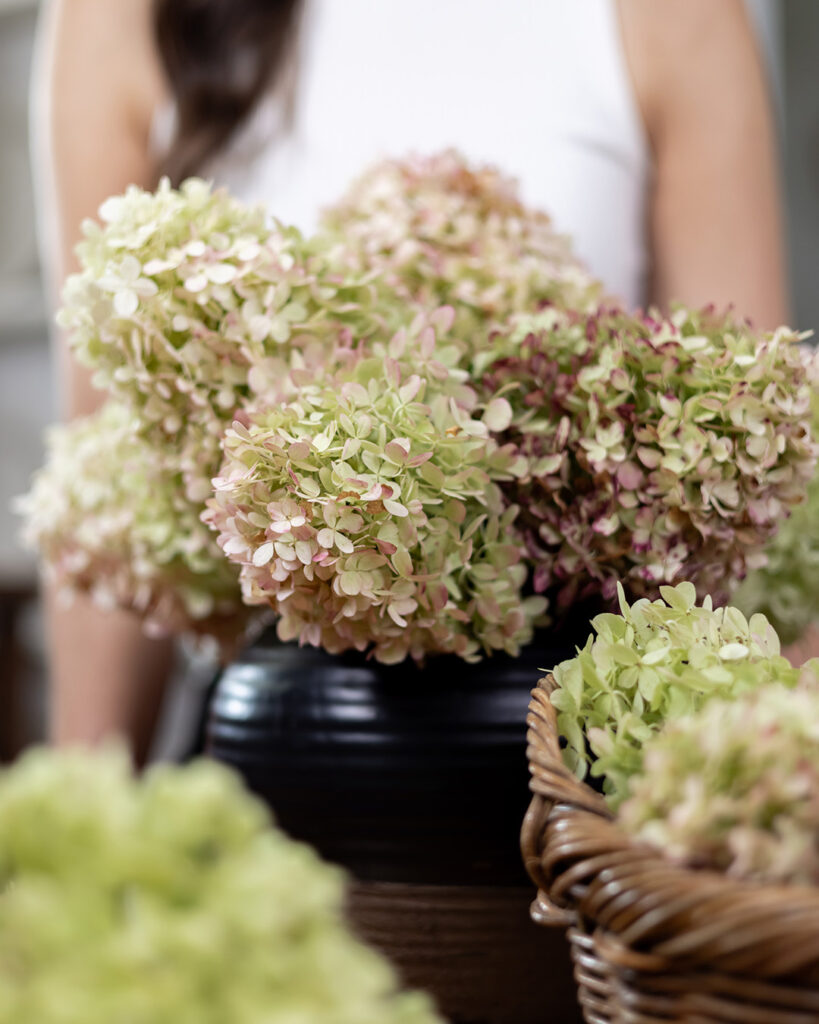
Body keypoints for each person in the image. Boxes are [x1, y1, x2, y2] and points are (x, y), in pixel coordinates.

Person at [31, 0, 788, 761]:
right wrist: (81, 820)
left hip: (566, 773)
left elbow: (750, 449)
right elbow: (109, 486)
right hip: (271, 746)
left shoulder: (679, 16)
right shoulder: (115, 16)